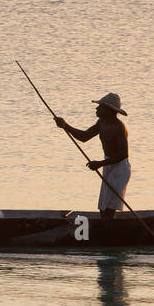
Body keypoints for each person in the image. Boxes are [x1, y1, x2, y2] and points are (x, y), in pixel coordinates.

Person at [55, 92, 130, 220]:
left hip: (119, 169)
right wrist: (65, 126)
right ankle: (104, 231)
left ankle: (108, 234)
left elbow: (123, 154)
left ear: (109, 110)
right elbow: (84, 137)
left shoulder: (118, 127)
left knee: (109, 208)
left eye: (100, 106)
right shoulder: (101, 123)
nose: (97, 108)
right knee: (103, 207)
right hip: (108, 165)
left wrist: (100, 163)